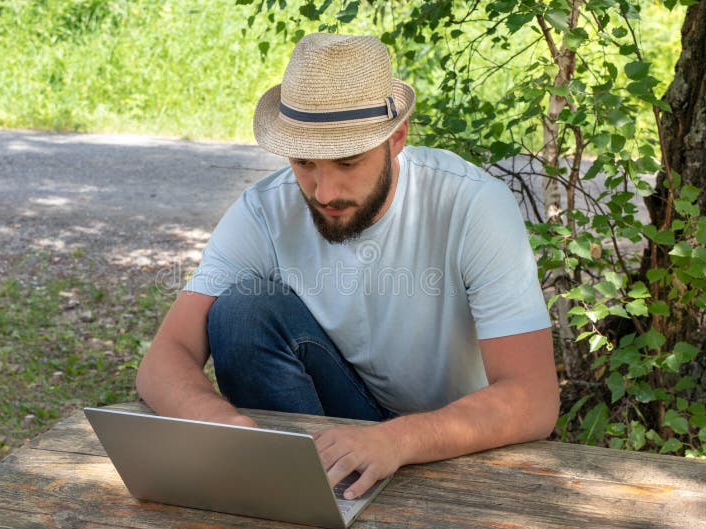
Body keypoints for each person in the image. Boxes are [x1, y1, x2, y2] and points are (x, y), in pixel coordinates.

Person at [136, 33, 559, 501]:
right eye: (304, 163)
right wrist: (219, 422)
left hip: (449, 436)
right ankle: (307, 495)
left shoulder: (472, 205)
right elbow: (162, 359)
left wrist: (396, 440)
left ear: (396, 138)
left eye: (347, 162)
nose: (323, 192)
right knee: (242, 312)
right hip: (337, 421)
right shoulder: (264, 210)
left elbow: (534, 399)